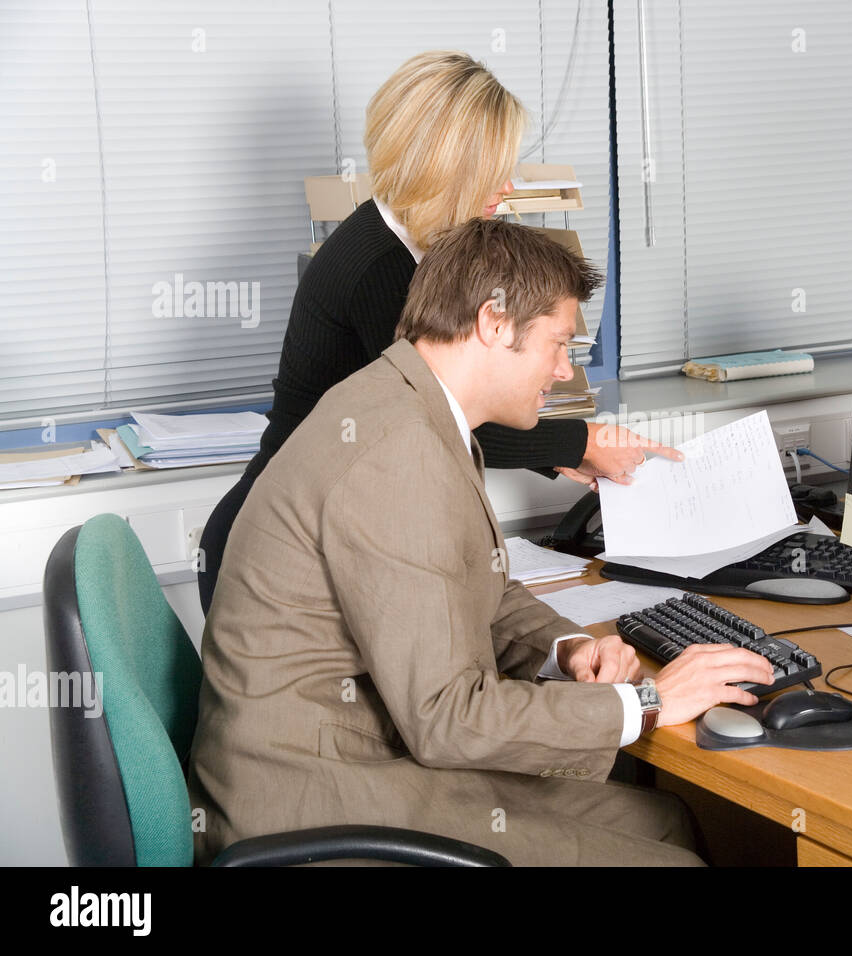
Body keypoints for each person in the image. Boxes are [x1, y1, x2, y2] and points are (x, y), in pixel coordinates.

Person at [187, 218, 773, 866]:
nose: (563, 370)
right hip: (320, 794)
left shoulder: (414, 405)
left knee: (663, 820)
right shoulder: (394, 453)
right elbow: (446, 719)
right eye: (557, 344)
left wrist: (569, 651)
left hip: (372, 743)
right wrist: (646, 702)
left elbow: (477, 586)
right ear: (494, 322)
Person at [196, 50, 672, 613]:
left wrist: (567, 453)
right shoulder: (379, 266)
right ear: (441, 168)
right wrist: (582, 444)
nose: (507, 185)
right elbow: (444, 416)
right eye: (491, 169)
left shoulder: (410, 246)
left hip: (316, 535)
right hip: (275, 559)